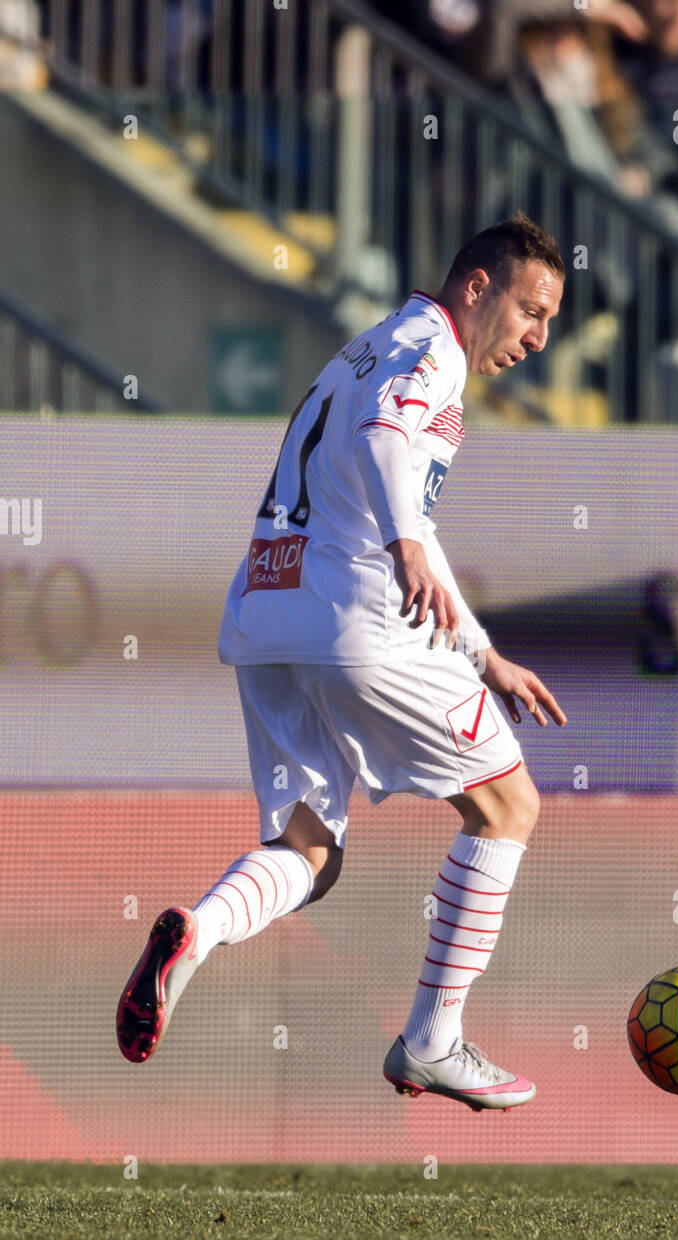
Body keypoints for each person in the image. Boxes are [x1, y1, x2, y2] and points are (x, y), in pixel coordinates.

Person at [116, 213, 568, 1113]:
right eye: (529, 310)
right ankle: (432, 1041)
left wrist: (482, 655)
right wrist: (402, 540)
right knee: (508, 804)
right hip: (357, 617)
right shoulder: (431, 350)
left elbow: (369, 457)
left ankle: (193, 937)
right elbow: (387, 444)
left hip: (266, 608)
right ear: (476, 287)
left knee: (308, 852)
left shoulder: (363, 346)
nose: (537, 338)